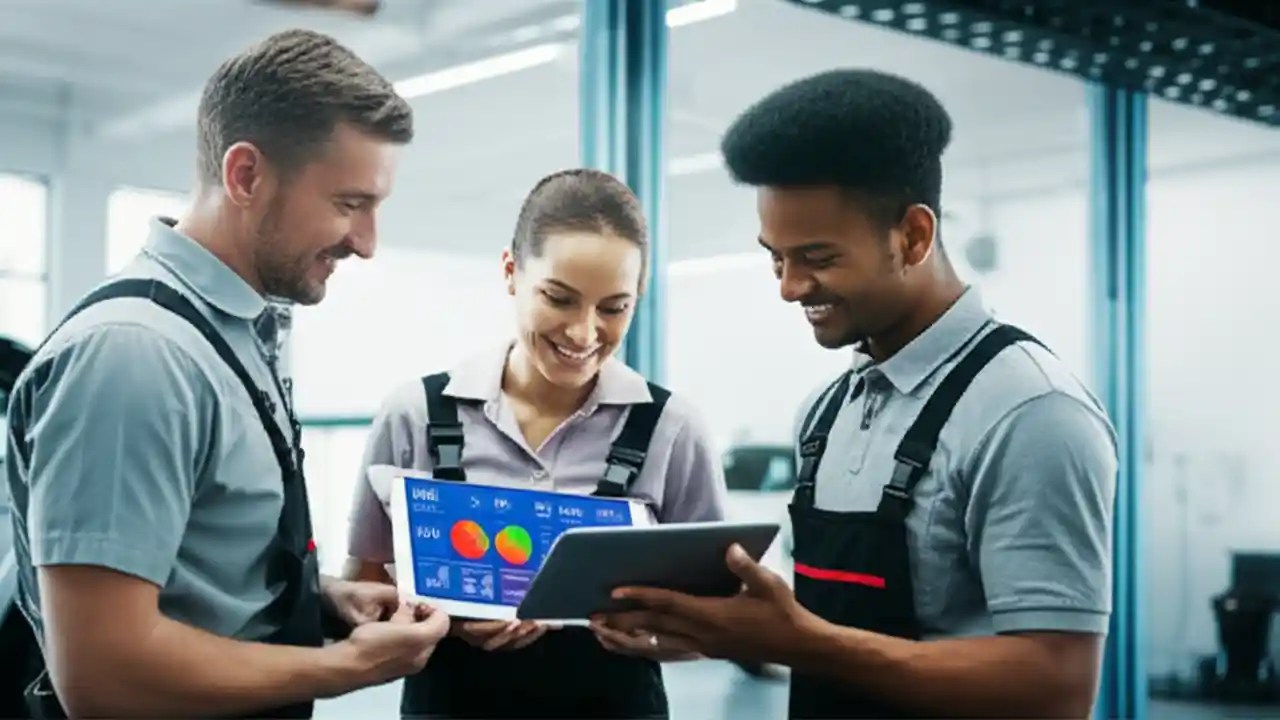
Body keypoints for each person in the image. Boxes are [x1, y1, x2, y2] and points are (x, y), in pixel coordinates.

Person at [598, 68, 1119, 719]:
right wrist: (712, 631)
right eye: (776, 258)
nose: (790, 286)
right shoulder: (824, 412)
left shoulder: (1030, 415)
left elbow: (1056, 686)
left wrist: (805, 643)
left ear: (914, 236)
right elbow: (824, 636)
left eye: (818, 256)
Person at [4, 29, 449, 720]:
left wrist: (322, 600)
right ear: (245, 176)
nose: (366, 242)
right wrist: (342, 669)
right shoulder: (136, 358)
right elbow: (102, 673)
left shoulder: (231, 333)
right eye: (348, 203)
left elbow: (201, 569)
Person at [345, 168, 728, 719]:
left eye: (613, 307)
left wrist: (636, 636)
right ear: (511, 272)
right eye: (559, 298)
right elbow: (363, 592)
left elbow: (713, 625)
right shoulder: (416, 414)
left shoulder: (671, 428)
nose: (583, 332)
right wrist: (446, 620)